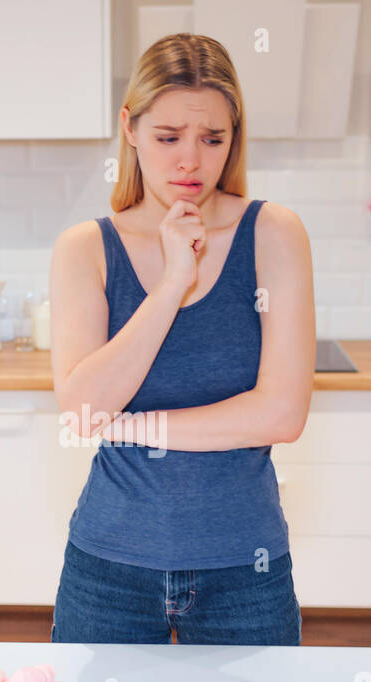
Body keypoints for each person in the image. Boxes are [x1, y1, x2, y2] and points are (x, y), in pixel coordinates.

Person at [48, 32, 315, 645]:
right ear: (131, 129)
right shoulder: (85, 250)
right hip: (109, 566)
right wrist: (172, 282)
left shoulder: (274, 233)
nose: (190, 161)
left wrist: (132, 426)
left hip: (245, 568)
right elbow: (84, 408)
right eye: (168, 138)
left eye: (212, 139)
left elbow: (282, 414)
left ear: (234, 138)